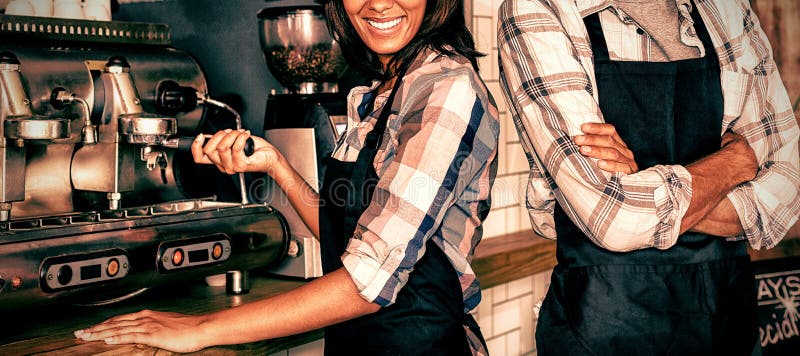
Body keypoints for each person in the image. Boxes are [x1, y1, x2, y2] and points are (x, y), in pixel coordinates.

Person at [74, 0, 499, 354]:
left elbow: (368, 282)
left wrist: (201, 327)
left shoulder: (446, 91)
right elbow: (357, 243)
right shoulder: (387, 89)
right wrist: (277, 164)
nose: (379, 3)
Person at [498, 0, 799, 354]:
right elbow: (612, 217)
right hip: (602, 328)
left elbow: (786, 191)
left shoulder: (729, 9)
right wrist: (734, 163)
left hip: (726, 323)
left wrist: (638, 181)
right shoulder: (540, 7)